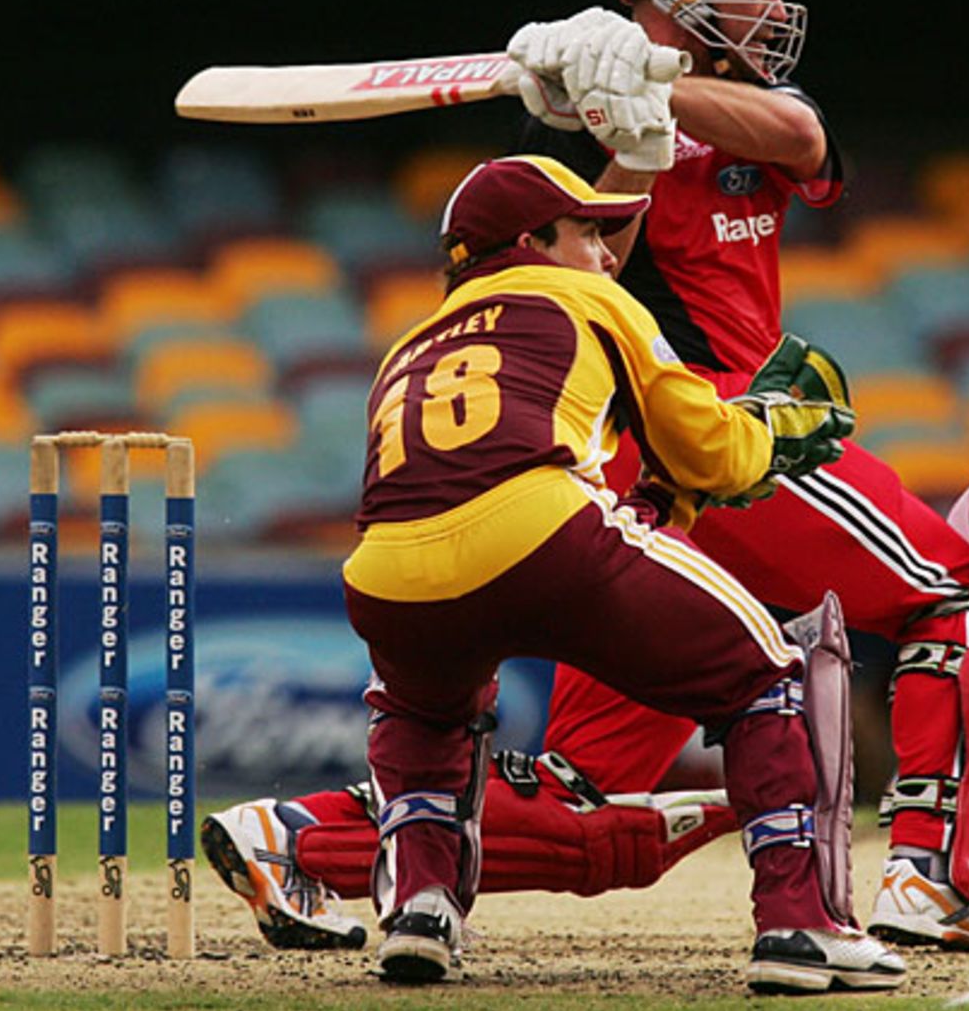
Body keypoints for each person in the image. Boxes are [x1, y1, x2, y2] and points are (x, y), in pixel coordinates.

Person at [203, 0, 969, 957]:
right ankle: (929, 877)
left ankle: (304, 836)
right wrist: (594, 114)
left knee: (590, 811)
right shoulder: (559, 124)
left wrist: (655, 85)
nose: (769, 7)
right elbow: (583, 255)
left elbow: (801, 133)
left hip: (636, 505)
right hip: (704, 436)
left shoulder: (744, 105)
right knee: (967, 587)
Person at [293, 150, 904, 992]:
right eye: (587, 230)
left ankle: (424, 909)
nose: (610, 252)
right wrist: (766, 432)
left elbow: (445, 480)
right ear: (532, 238)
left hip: (386, 574)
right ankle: (801, 924)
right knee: (769, 675)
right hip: (541, 533)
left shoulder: (408, 341)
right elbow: (708, 446)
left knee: (425, 716)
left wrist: (660, 501)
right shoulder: (591, 296)